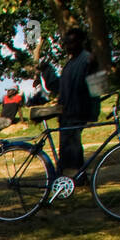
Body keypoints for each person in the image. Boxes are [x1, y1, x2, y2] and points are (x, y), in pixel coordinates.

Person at [38, 28, 99, 176]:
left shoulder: (88, 60)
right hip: (67, 113)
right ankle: (74, 177)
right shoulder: (70, 64)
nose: (68, 46)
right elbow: (58, 87)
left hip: (78, 111)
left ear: (80, 42)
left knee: (73, 147)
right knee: (68, 148)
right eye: (66, 43)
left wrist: (94, 113)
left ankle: (75, 177)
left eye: (71, 43)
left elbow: (97, 87)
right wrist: (47, 71)